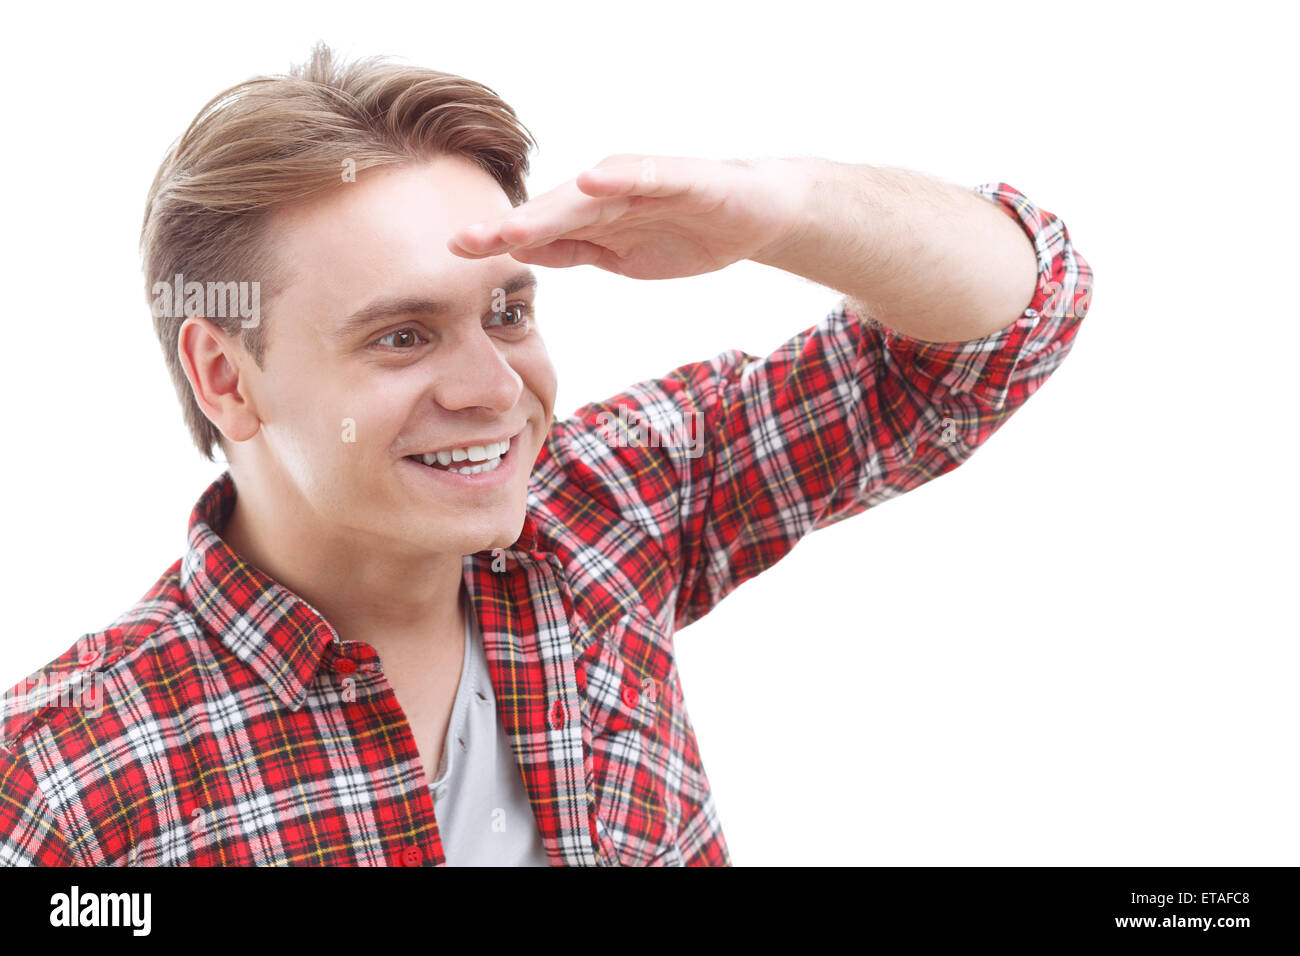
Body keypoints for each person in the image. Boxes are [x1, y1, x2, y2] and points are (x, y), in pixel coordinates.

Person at [0, 42, 1092, 866]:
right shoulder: (68, 776)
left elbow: (1003, 327)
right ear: (226, 375)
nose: (493, 388)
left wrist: (780, 211)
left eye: (509, 312)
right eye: (401, 334)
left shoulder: (610, 505)